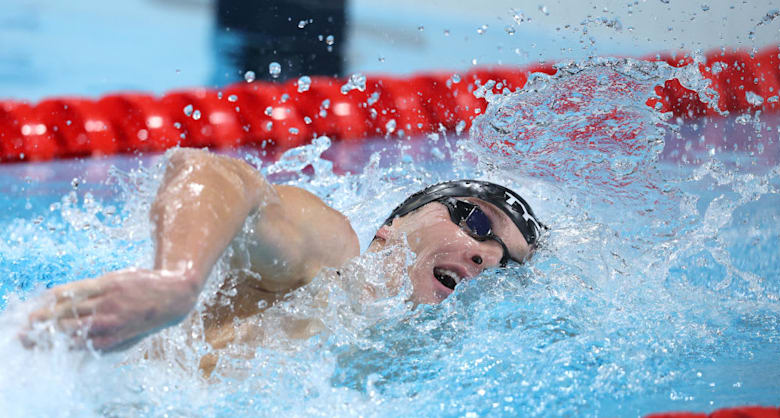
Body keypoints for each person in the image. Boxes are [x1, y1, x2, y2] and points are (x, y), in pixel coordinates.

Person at [22, 148, 545, 371]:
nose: (482, 255)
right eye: (475, 222)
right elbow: (210, 174)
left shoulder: (417, 363)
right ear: (390, 228)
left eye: (504, 262)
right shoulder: (331, 258)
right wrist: (175, 282)